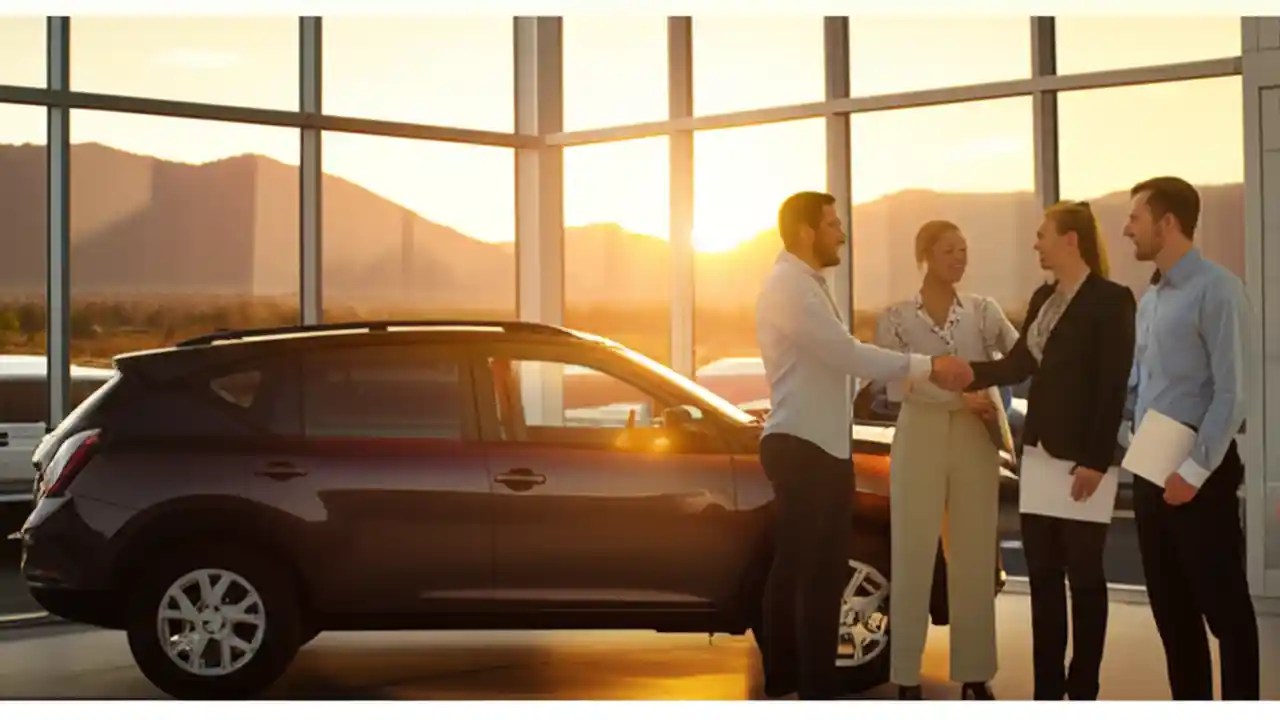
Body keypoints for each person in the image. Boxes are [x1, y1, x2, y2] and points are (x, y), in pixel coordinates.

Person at [755, 191, 974, 700]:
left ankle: (792, 682)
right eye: (833, 225)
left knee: (807, 571)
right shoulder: (792, 286)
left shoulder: (806, 284)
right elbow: (844, 353)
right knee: (815, 575)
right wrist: (925, 365)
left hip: (819, 445)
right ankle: (810, 689)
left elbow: (836, 369)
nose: (842, 234)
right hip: (806, 447)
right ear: (807, 232)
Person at [966, 201, 1136, 700]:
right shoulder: (1044, 297)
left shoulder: (1112, 301)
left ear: (1070, 240)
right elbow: (1020, 363)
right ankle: (1047, 691)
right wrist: (967, 371)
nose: (1035, 242)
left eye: (1043, 234)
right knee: (1042, 578)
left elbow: (1112, 387)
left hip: (1083, 461)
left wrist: (1096, 462)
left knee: (1084, 580)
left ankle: (1083, 688)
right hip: (1038, 455)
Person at [1122, 176, 1259, 700]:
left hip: (1201, 475)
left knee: (1226, 615)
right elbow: (1143, 381)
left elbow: (1233, 392)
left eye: (1135, 218)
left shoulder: (1219, 289)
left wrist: (1195, 472)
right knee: (1173, 617)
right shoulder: (1150, 298)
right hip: (1152, 471)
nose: (1127, 228)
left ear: (1168, 222)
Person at [873, 220, 1019, 701]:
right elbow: (899, 386)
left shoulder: (984, 311)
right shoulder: (894, 318)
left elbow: (1020, 360)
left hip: (975, 440)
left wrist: (992, 396)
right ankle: (906, 676)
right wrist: (964, 398)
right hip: (919, 437)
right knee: (912, 553)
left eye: (964, 249)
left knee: (975, 556)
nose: (960, 258)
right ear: (926, 255)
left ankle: (975, 673)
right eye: (949, 250)